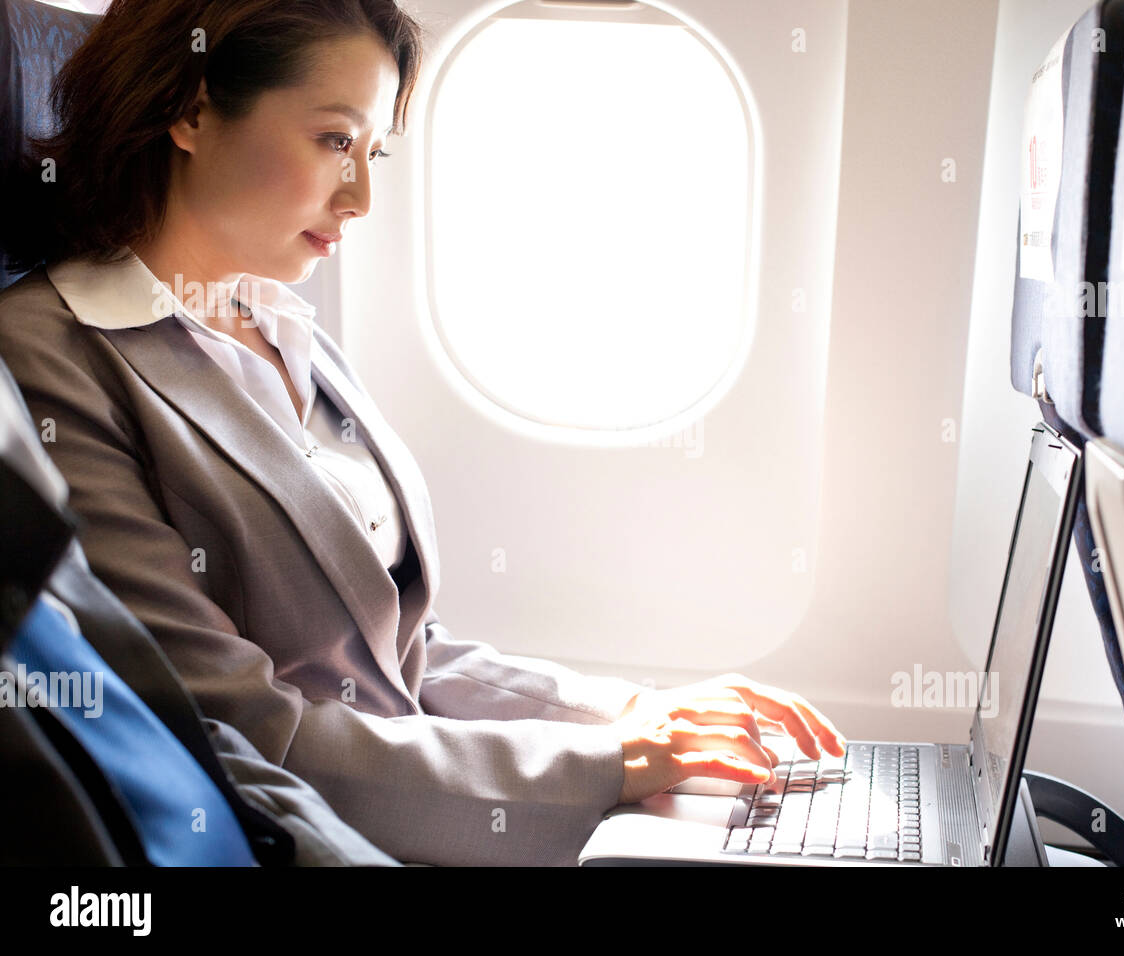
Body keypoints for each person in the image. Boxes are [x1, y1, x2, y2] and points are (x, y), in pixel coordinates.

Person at [0, 0, 844, 866]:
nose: (362, 195)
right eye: (335, 141)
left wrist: (625, 714)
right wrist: (601, 766)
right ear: (191, 111)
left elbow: (398, 654)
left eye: (376, 152)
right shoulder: (49, 359)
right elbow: (237, 729)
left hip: (414, 801)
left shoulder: (284, 327)